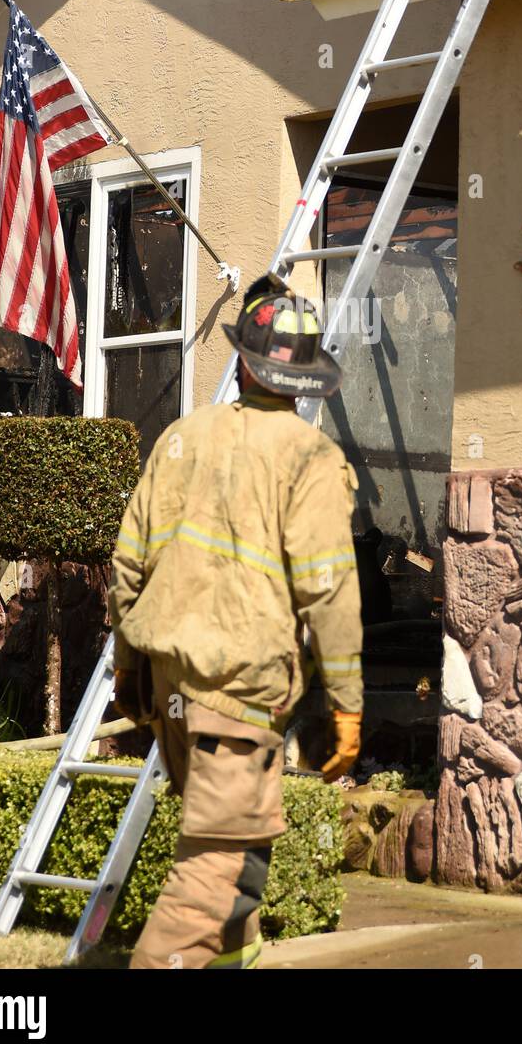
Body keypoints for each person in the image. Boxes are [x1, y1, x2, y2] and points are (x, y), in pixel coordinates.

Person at [108, 274, 363, 970]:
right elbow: (329, 594)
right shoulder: (311, 459)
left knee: (239, 858)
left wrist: (129, 671)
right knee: (210, 875)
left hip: (173, 697)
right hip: (238, 698)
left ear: (245, 362)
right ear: (305, 378)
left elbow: (128, 566)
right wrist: (347, 708)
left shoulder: (181, 438)